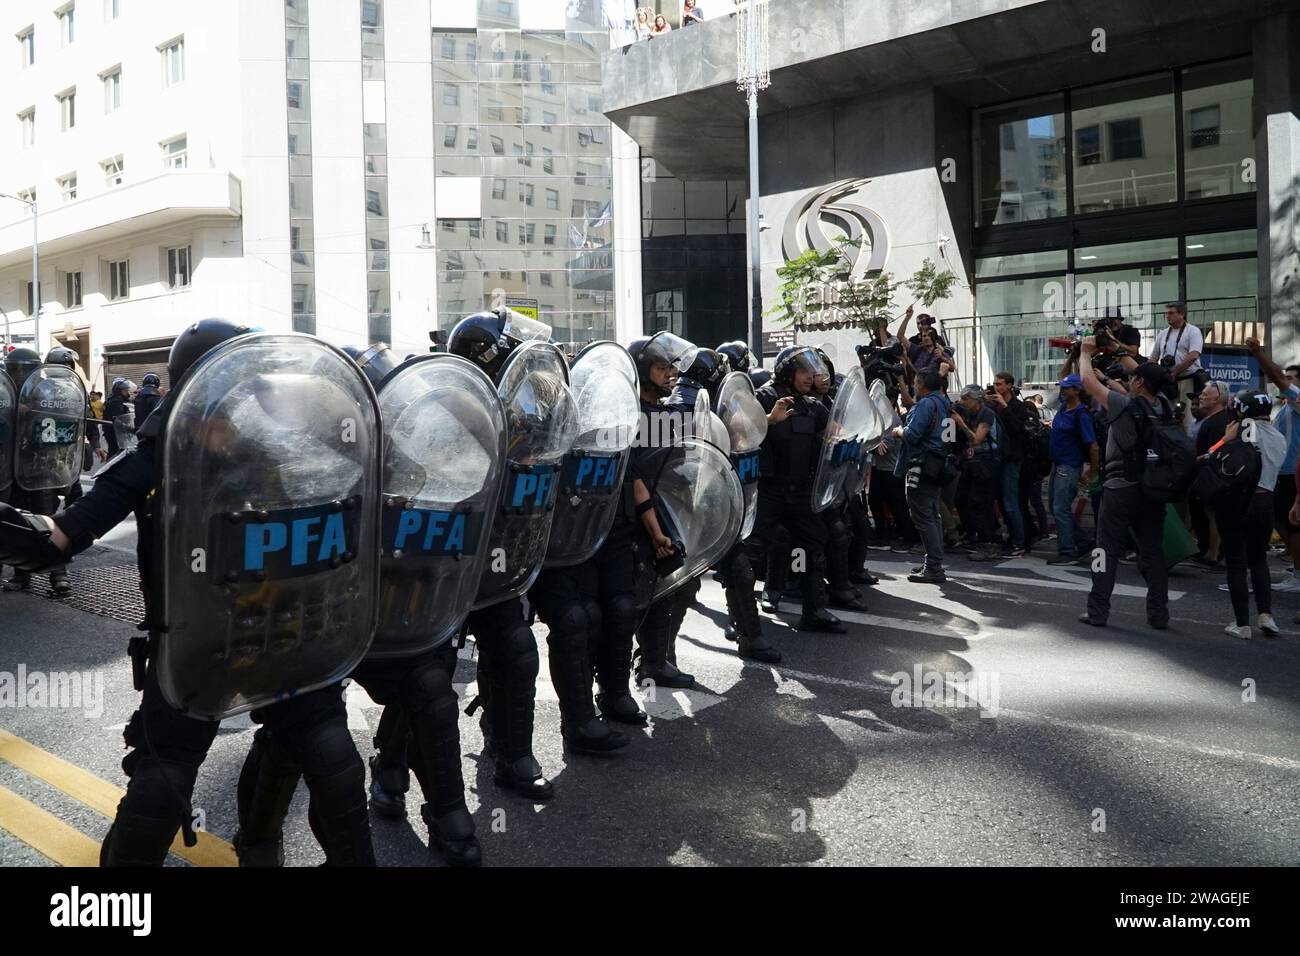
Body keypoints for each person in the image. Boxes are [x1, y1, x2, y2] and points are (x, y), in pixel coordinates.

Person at [0, 318, 378, 866]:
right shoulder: (154, 459)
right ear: (193, 398)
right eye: (227, 397)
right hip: (197, 648)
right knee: (161, 785)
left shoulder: (286, 456)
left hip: (284, 636)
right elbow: (57, 538)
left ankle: (262, 845)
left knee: (333, 758)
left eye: (247, 395)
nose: (238, 413)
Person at [1076, 341, 1174, 629]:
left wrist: (1084, 352)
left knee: (1103, 550)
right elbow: (1130, 394)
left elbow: (1085, 381)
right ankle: (1159, 614)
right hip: (1153, 488)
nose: (1128, 381)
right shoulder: (1165, 406)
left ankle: (1097, 611)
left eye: (1133, 378)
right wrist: (1109, 376)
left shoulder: (1124, 405)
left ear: (1140, 383)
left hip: (1120, 488)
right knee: (1152, 552)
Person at [753, 346, 846, 631]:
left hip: (800, 489)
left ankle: (813, 611)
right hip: (767, 489)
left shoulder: (811, 405)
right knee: (751, 551)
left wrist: (851, 436)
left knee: (811, 548)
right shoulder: (764, 397)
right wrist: (768, 420)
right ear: (787, 372)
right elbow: (738, 431)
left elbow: (836, 431)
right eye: (804, 370)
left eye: (813, 370)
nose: (812, 376)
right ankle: (745, 618)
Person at [1215, 390, 1285, 639]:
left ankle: (1242, 624)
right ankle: (1266, 615)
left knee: (1236, 561)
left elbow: (1222, 460)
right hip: (1266, 501)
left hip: (1240, 501)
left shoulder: (1243, 432)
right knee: (1259, 560)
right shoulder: (1278, 437)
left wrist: (1226, 439)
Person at [1246, 338, 1300, 594]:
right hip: (1282, 473)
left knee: (1292, 524)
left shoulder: (1298, 401)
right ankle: (1295, 564)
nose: (1286, 381)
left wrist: (1257, 353)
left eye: (1292, 378)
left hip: (1293, 474)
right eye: (1287, 376)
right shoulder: (1286, 408)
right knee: (1281, 520)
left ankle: (1298, 575)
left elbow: (1276, 376)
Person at [891, 368, 953, 583]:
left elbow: (913, 434)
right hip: (938, 465)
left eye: (916, 382)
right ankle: (933, 563)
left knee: (924, 517)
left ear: (923, 384)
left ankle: (934, 567)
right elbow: (950, 437)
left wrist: (898, 431)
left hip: (922, 465)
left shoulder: (926, 404)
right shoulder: (945, 403)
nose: (914, 386)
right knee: (933, 515)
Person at [1046, 374, 1099, 564]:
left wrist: (1092, 470)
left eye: (1067, 388)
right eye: (1062, 387)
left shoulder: (1081, 414)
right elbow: (1061, 377)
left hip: (1069, 465)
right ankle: (1082, 542)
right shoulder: (1064, 406)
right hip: (1059, 464)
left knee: (1060, 508)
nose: (1062, 390)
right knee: (1056, 507)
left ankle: (1067, 551)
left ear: (1077, 390)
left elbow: (1093, 445)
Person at [951, 385, 1003, 561]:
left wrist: (960, 423)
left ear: (977, 399)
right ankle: (973, 534)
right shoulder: (967, 413)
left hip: (987, 462)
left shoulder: (986, 414)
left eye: (966, 398)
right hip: (971, 463)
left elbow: (976, 439)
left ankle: (988, 543)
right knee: (961, 498)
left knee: (980, 503)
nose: (963, 402)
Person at [988, 372, 1030, 557]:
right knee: (1003, 502)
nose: (997, 387)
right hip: (998, 458)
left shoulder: (1018, 407)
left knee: (1011, 502)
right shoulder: (995, 406)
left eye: (1000, 384)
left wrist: (1004, 406)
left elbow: (1017, 428)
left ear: (1009, 385)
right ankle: (1012, 538)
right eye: (995, 384)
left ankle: (1019, 542)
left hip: (1012, 459)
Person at [1152, 301, 1204, 415]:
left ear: (1181, 314)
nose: (1167, 316)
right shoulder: (1162, 334)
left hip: (1187, 379)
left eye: (1171, 313)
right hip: (1168, 382)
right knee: (1169, 414)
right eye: (1166, 313)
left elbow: (1193, 356)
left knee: (1187, 415)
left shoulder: (1193, 331)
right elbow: (1153, 358)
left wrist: (1174, 372)